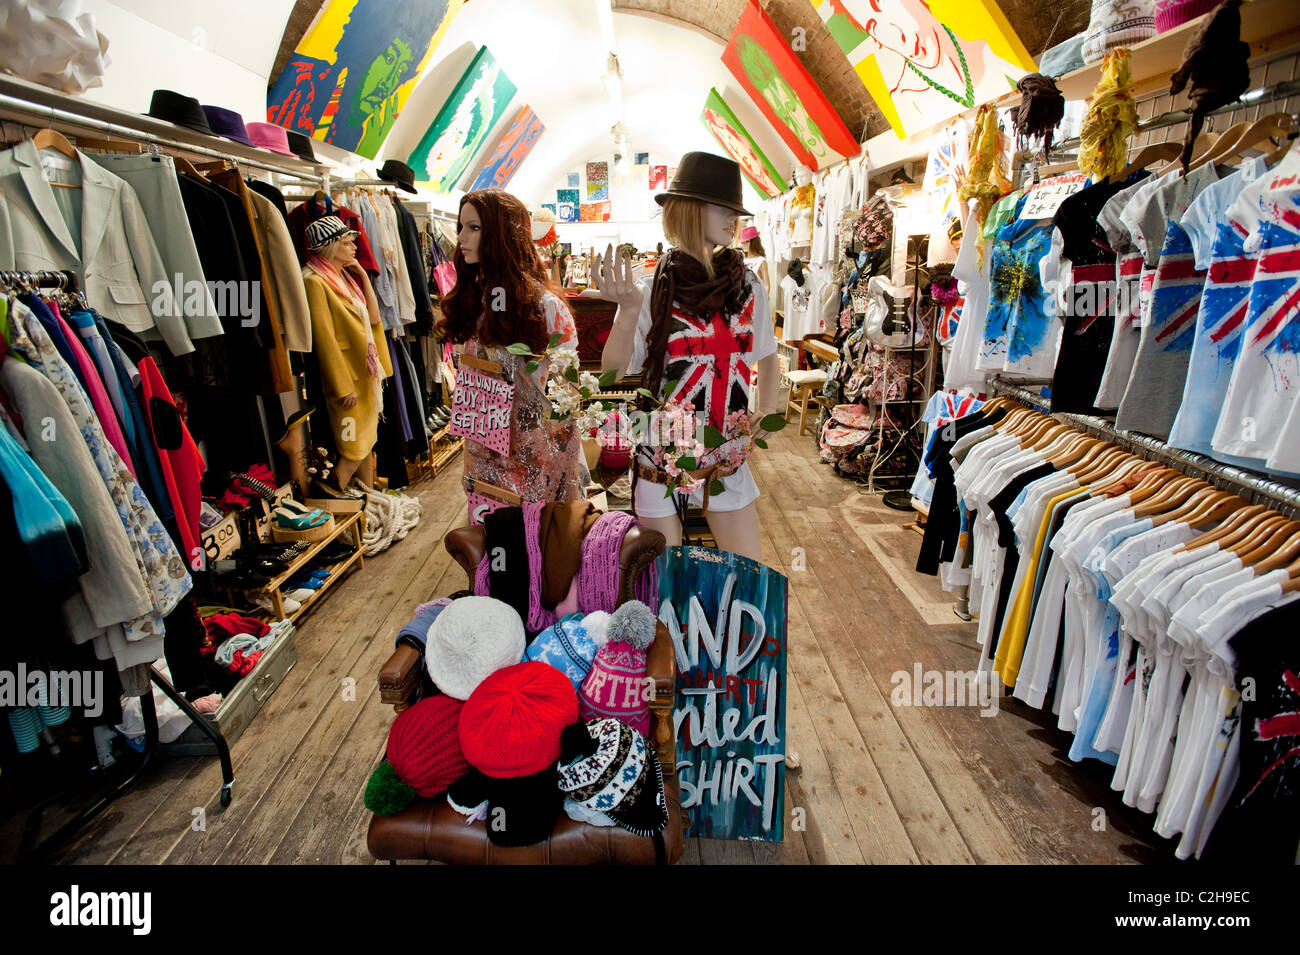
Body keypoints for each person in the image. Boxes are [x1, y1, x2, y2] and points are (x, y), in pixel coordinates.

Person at [595, 152, 780, 562]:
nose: (733, 218)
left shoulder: (747, 286)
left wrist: (767, 410)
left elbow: (768, 357)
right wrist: (627, 312)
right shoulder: (651, 289)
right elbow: (610, 374)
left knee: (747, 574)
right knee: (662, 583)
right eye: (722, 207)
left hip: (724, 452)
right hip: (661, 452)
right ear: (691, 209)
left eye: (735, 209)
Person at [438, 188, 584, 506]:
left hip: (538, 459)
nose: (461, 237)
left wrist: (566, 470)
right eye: (461, 227)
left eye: (474, 228)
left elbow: (567, 397)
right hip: (483, 450)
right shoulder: (471, 302)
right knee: (493, 543)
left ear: (503, 234)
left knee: (539, 546)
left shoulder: (545, 307)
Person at [302, 215, 392, 492]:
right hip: (348, 379)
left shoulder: (343, 278)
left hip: (365, 372)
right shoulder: (314, 281)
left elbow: (374, 319)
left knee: (366, 441)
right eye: (345, 242)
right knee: (353, 447)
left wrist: (363, 275)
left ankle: (370, 496)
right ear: (329, 246)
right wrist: (342, 386)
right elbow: (325, 339)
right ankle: (334, 495)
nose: (354, 247)